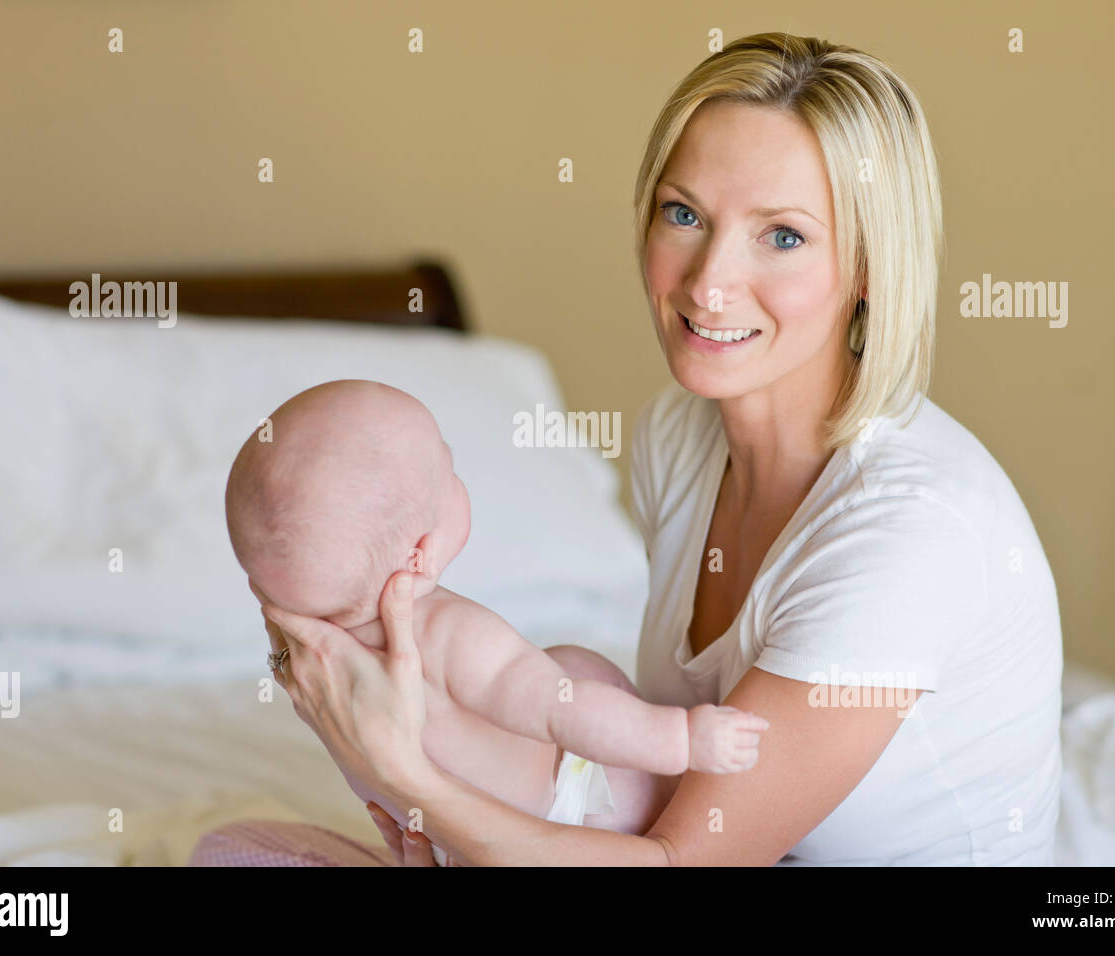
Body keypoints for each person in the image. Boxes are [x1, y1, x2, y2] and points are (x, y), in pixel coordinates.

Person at [191, 31, 1062, 867]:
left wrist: (405, 774)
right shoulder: (677, 438)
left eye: (783, 235)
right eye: (684, 213)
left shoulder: (909, 533)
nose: (708, 282)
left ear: (870, 265)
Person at [221, 378, 766, 865]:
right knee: (576, 677)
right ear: (422, 553)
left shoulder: (318, 674)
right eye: (448, 468)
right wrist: (681, 739)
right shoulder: (445, 635)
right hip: (584, 817)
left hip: (456, 846)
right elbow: (559, 709)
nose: (457, 470)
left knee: (225, 845)